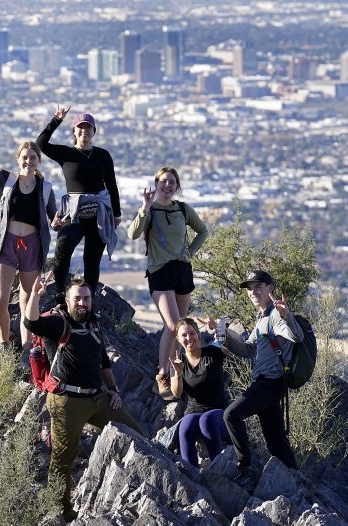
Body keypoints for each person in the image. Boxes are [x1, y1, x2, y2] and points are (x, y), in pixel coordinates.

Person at [24, 276, 143, 522]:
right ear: (67, 301)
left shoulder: (94, 324)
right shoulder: (58, 323)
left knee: (136, 435)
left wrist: (113, 390)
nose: (82, 303)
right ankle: (62, 513)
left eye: (86, 298)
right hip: (67, 402)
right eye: (77, 298)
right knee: (63, 459)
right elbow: (31, 322)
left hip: (98, 399)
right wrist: (35, 296)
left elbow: (103, 361)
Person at [0, 116, 58, 350]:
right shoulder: (6, 179)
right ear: (18, 159)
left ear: (39, 161)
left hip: (32, 247)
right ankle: (4, 346)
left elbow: (54, 220)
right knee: (0, 302)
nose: (29, 161)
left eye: (33, 157)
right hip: (6, 245)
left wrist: (58, 222)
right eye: (25, 157)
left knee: (28, 301)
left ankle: (28, 349)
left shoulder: (46, 188)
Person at [127, 167, 208, 400]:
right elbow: (132, 234)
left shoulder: (182, 209)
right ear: (156, 184)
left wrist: (191, 251)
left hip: (182, 270)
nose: (167, 185)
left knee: (180, 326)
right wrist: (144, 207)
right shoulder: (150, 210)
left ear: (177, 186)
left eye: (172, 182)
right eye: (163, 181)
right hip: (159, 272)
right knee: (173, 326)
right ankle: (162, 374)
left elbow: (203, 231)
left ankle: (177, 373)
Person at [221, 269, 303, 484]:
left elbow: (296, 336)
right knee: (276, 443)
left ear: (270, 288)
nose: (253, 292)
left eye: (258, 286)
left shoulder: (275, 315)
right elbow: (249, 350)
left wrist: (286, 315)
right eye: (250, 288)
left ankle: (245, 468)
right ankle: (298, 482)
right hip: (268, 383)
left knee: (231, 415)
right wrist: (225, 337)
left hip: (270, 382)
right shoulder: (263, 317)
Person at [36, 106, 121, 303]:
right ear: (74, 131)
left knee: (92, 260)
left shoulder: (103, 155)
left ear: (94, 131)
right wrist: (56, 120)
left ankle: (88, 301)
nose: (84, 131)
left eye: (88, 127)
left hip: (99, 213)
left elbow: (112, 185)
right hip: (73, 212)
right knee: (62, 251)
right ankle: (60, 296)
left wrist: (116, 214)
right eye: (80, 128)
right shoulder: (66, 153)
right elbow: (41, 143)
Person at [169, 318, 230, 468]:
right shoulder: (178, 362)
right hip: (194, 411)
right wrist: (178, 373)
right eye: (184, 335)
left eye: (192, 333)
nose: (189, 338)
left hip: (219, 412)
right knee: (185, 426)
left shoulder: (213, 352)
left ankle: (218, 470)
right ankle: (192, 473)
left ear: (198, 334)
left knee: (206, 420)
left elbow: (226, 341)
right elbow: (177, 393)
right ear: (178, 339)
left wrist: (219, 327)